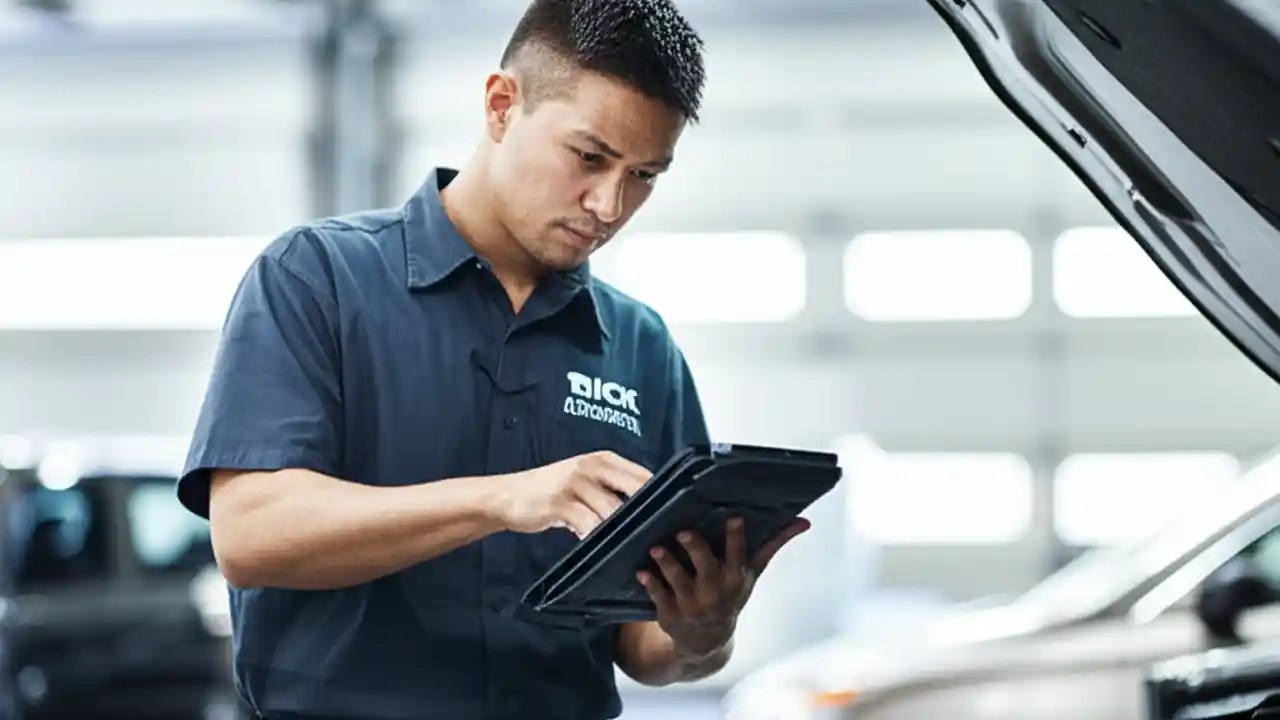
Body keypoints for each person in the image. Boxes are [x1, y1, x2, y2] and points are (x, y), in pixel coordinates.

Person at [176, 1, 810, 718]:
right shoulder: (316, 279)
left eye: (644, 175)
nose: (609, 204)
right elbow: (252, 534)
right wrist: (505, 498)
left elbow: (642, 643)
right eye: (590, 157)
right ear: (502, 105)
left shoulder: (643, 348)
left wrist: (702, 630)